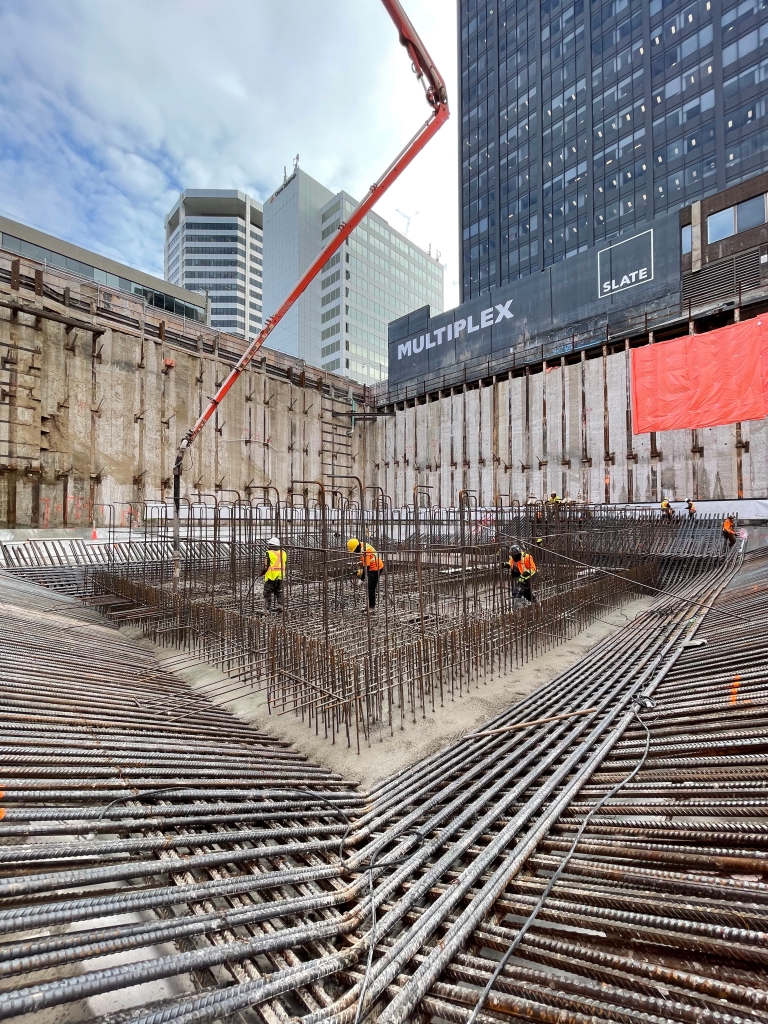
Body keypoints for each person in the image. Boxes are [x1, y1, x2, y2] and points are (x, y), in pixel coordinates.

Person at [347, 537, 384, 611]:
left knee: (370, 588)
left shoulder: (365, 551)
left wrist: (361, 579)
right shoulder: (363, 545)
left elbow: (366, 568)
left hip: (375, 569)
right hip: (376, 566)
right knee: (369, 587)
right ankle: (370, 605)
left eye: (354, 550)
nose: (355, 552)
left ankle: (371, 608)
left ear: (357, 547)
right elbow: (367, 562)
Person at [261, 536, 287, 612]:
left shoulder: (268, 553)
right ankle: (281, 606)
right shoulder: (283, 553)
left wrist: (262, 572)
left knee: (267, 593)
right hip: (280, 576)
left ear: (271, 545)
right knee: (278, 591)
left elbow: (266, 566)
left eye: (269, 545)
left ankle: (266, 609)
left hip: (271, 577)